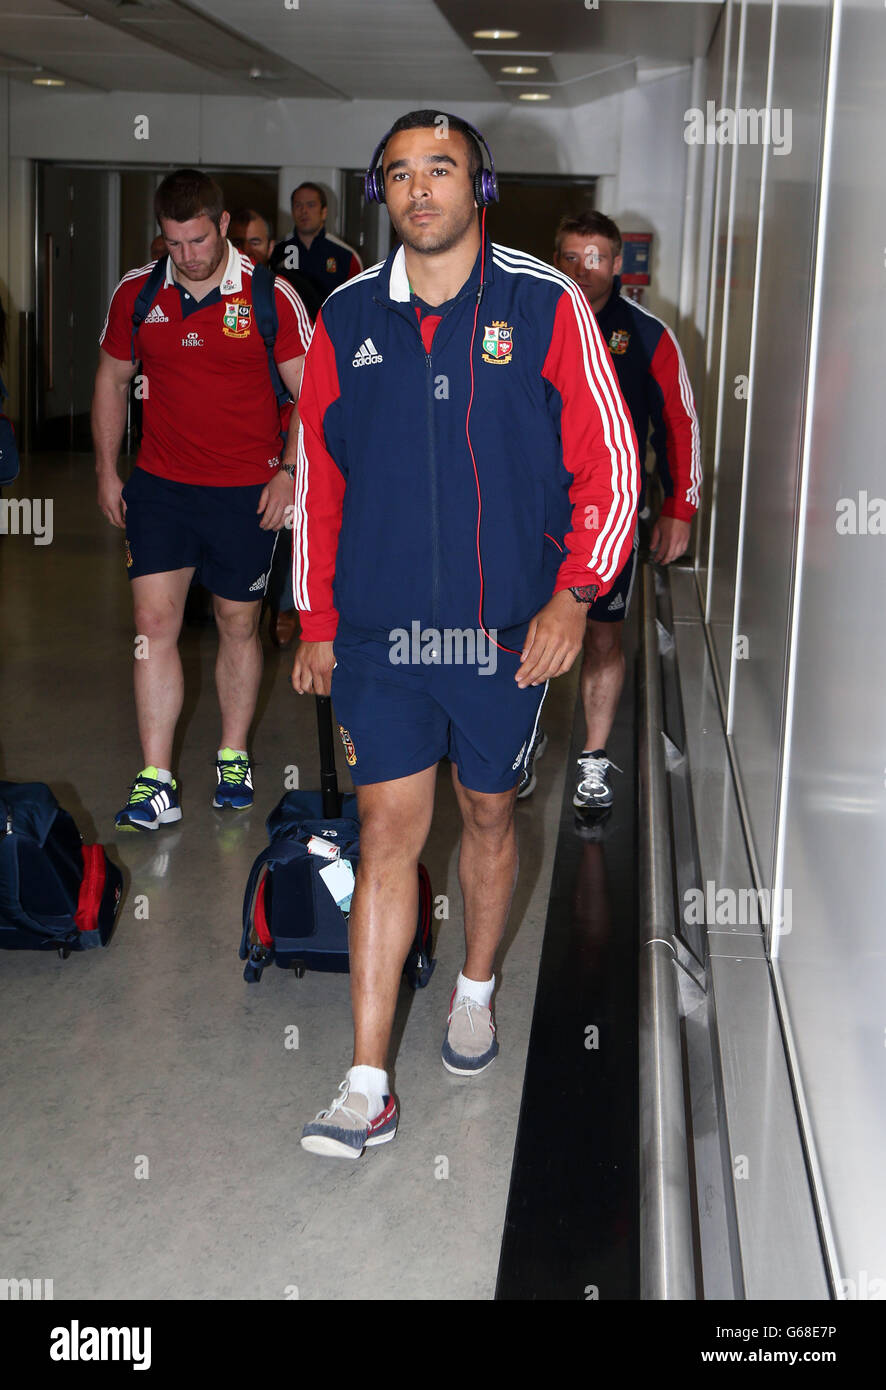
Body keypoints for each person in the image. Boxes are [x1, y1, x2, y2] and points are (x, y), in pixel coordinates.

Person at [289, 111, 639, 1159]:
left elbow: (610, 468)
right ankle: (365, 1079)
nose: (418, 189)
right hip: (380, 638)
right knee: (388, 832)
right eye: (398, 174)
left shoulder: (544, 306)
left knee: (486, 816)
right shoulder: (344, 316)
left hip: (502, 639)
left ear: (477, 188)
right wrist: (315, 621)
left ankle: (475, 988)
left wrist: (574, 596)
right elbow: (318, 483)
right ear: (380, 195)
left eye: (439, 169)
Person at [93, 169, 312, 830]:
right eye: (173, 242)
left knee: (237, 623)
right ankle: (156, 778)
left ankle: (233, 753)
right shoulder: (137, 294)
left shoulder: (271, 295)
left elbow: (312, 392)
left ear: (223, 227)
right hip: (161, 488)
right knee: (153, 625)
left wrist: (289, 470)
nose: (186, 254)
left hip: (247, 493)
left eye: (197, 239)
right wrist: (107, 469)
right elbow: (111, 379)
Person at [518, 210, 700, 816]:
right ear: (554, 259)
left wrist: (679, 507)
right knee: (522, 633)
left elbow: (679, 423)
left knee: (601, 638)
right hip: (533, 516)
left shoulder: (647, 335)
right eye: (570, 257)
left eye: (596, 257)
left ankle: (593, 758)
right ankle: (520, 738)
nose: (583, 270)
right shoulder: (528, 324)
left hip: (608, 517)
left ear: (618, 263)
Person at [229, 207, 323, 650]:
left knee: (288, 529)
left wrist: (291, 463)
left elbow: (312, 384)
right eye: (240, 239)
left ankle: (285, 608)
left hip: (288, 439)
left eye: (257, 242)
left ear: (270, 248)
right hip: (231, 453)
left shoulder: (286, 295)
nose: (248, 249)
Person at [270, 182, 362, 300]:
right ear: (292, 211)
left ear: (324, 212)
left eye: (311, 205)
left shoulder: (346, 256)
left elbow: (357, 302)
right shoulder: (276, 252)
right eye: (298, 205)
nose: (304, 211)